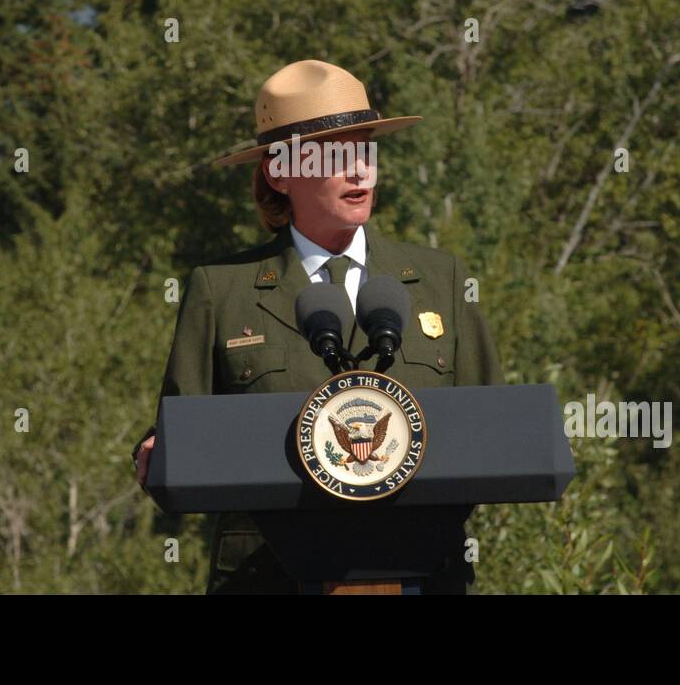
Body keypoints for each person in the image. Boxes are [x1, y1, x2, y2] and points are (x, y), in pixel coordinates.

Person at [131, 59, 505, 594]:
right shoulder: (222, 290)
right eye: (336, 155)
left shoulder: (440, 279)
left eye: (366, 150)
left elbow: (496, 427)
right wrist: (154, 450)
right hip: (269, 580)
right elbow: (177, 438)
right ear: (280, 172)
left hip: (422, 576)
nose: (360, 172)